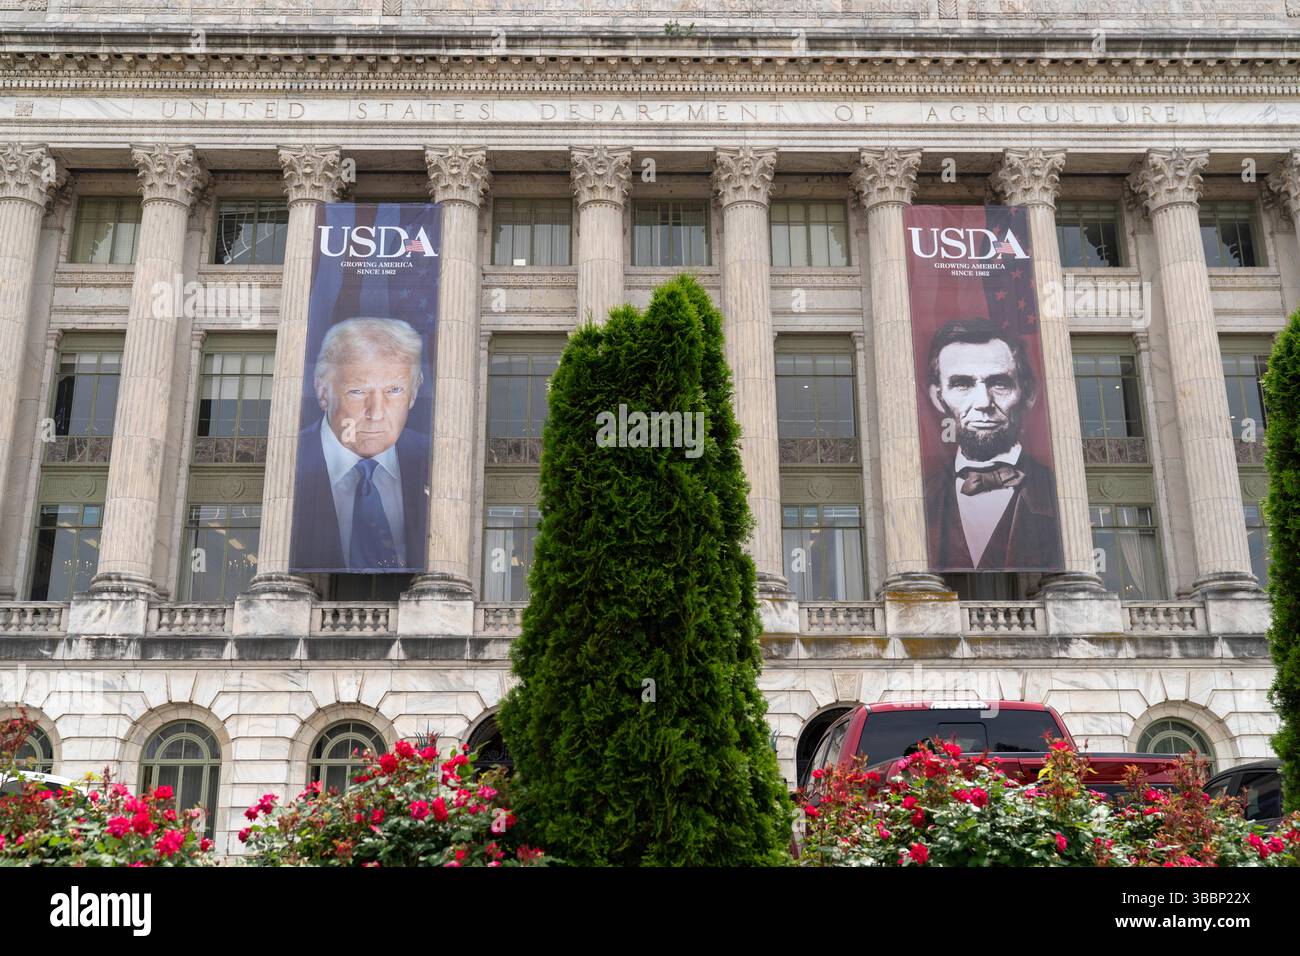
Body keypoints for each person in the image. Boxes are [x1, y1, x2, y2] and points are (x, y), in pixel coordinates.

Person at [290, 317, 429, 572]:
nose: (375, 412)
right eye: (358, 391)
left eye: (394, 390)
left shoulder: (433, 458)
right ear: (323, 392)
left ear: (414, 392)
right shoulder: (290, 457)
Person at [923, 318, 1063, 571]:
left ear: (1028, 393)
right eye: (962, 384)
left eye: (999, 383)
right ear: (938, 397)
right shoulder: (921, 497)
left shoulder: (1058, 491)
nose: (982, 403)